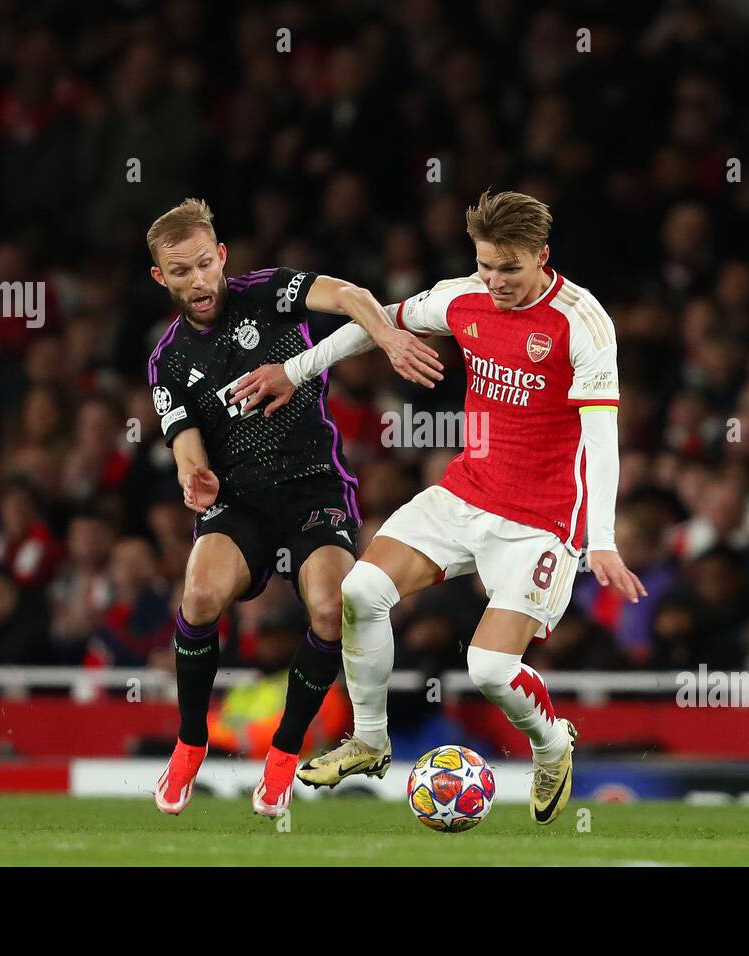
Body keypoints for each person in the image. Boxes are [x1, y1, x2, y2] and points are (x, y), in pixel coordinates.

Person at [235, 189, 645, 824]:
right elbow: (377, 323)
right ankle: (370, 740)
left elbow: (601, 435)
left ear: (542, 256)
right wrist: (295, 370)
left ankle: (551, 741)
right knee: (360, 591)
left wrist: (604, 538)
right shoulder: (462, 296)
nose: (495, 280)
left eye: (509, 267)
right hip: (464, 493)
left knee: (489, 669)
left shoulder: (582, 323)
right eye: (485, 264)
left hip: (541, 522)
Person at [144, 198, 441, 818]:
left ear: (221, 257)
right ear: (160, 278)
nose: (198, 281)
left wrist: (385, 337)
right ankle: (191, 741)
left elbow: (351, 294)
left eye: (205, 264)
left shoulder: (270, 293)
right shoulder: (168, 358)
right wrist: (193, 476)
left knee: (334, 607)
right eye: (180, 272)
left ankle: (283, 754)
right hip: (240, 501)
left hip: (311, 488)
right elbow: (184, 437)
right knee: (198, 597)